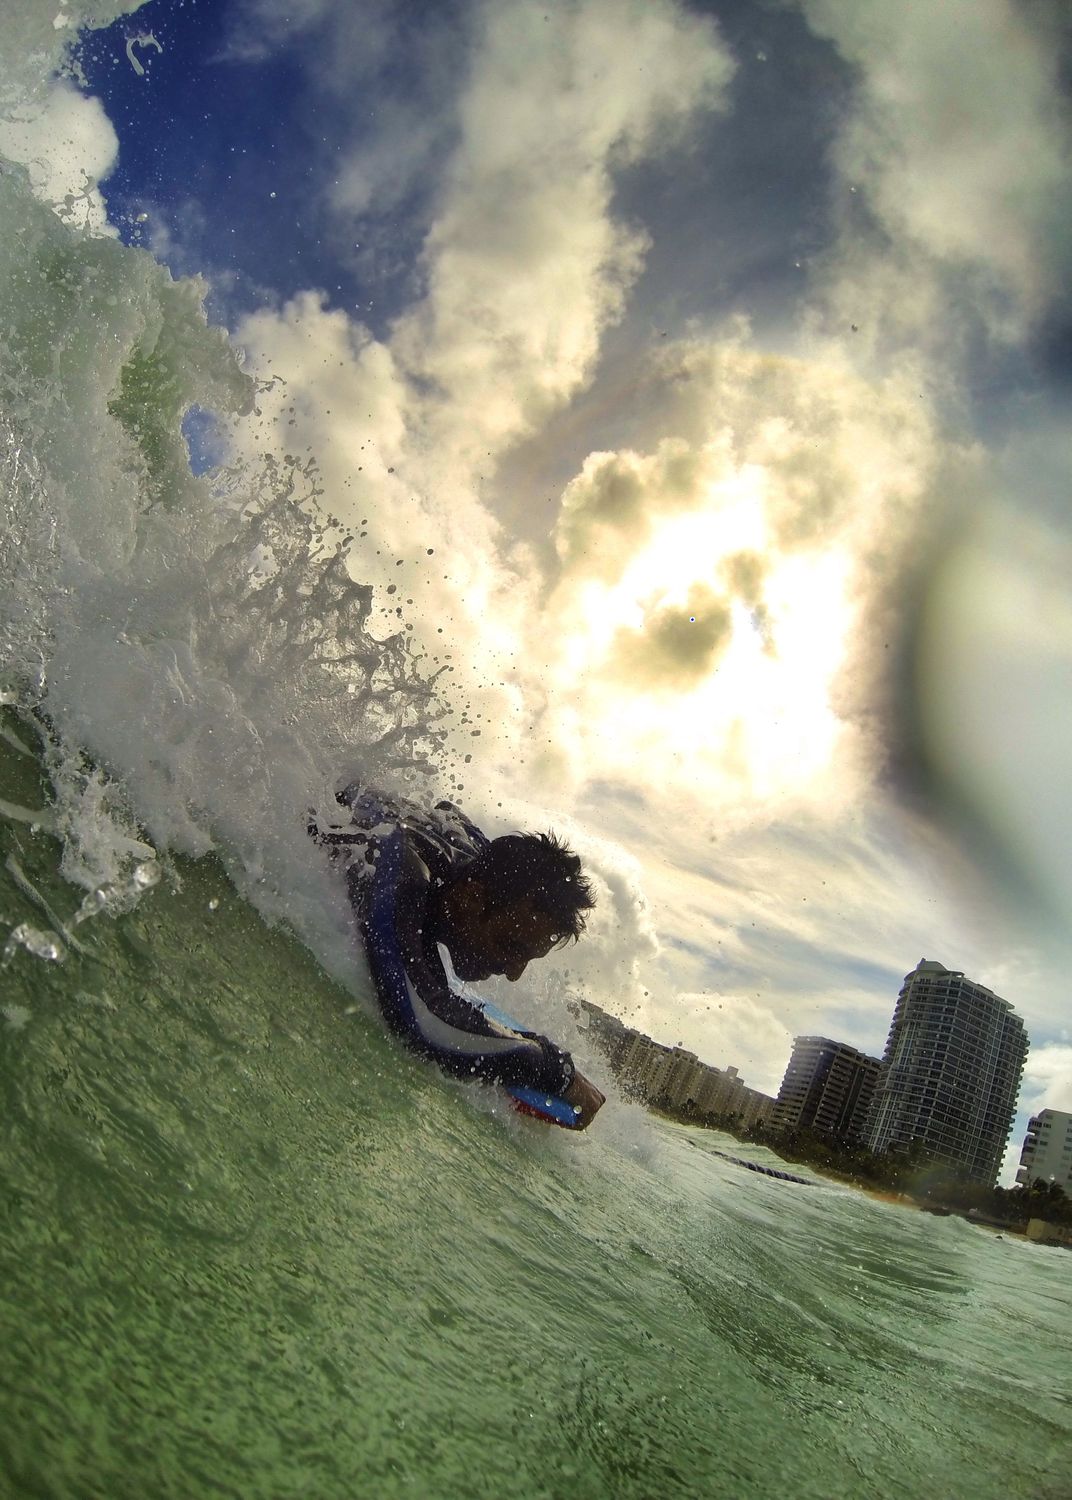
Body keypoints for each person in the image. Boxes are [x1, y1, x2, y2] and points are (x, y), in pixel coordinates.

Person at [309, 786, 606, 1128]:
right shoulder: (398, 880)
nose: (513, 973)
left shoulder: (474, 862)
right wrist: (556, 1071)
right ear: (470, 898)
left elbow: (449, 812)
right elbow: (425, 1022)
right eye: (511, 947)